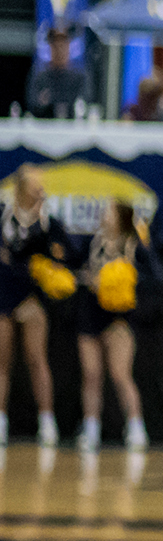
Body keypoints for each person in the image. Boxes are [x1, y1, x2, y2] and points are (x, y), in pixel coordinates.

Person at [0, 167, 70, 446]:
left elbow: (64, 257)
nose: (40, 191)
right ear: (21, 188)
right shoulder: (3, 216)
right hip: (3, 295)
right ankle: (1, 421)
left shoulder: (48, 223)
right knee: (2, 362)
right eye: (34, 186)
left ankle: (47, 421)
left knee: (36, 359)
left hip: (32, 300)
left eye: (41, 186)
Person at [75, 201, 150, 452]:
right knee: (91, 374)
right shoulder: (92, 243)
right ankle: (91, 427)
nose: (104, 215)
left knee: (120, 373)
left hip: (119, 318)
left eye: (109, 211)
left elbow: (150, 278)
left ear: (121, 217)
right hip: (91, 313)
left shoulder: (134, 245)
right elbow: (77, 268)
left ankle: (136, 426)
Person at [26, 28, 91, 119]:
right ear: (50, 48)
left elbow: (87, 103)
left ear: (68, 47)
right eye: (56, 46)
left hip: (73, 124)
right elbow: (32, 104)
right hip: (46, 124)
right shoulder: (41, 77)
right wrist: (42, 104)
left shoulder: (79, 77)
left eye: (63, 46)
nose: (60, 51)